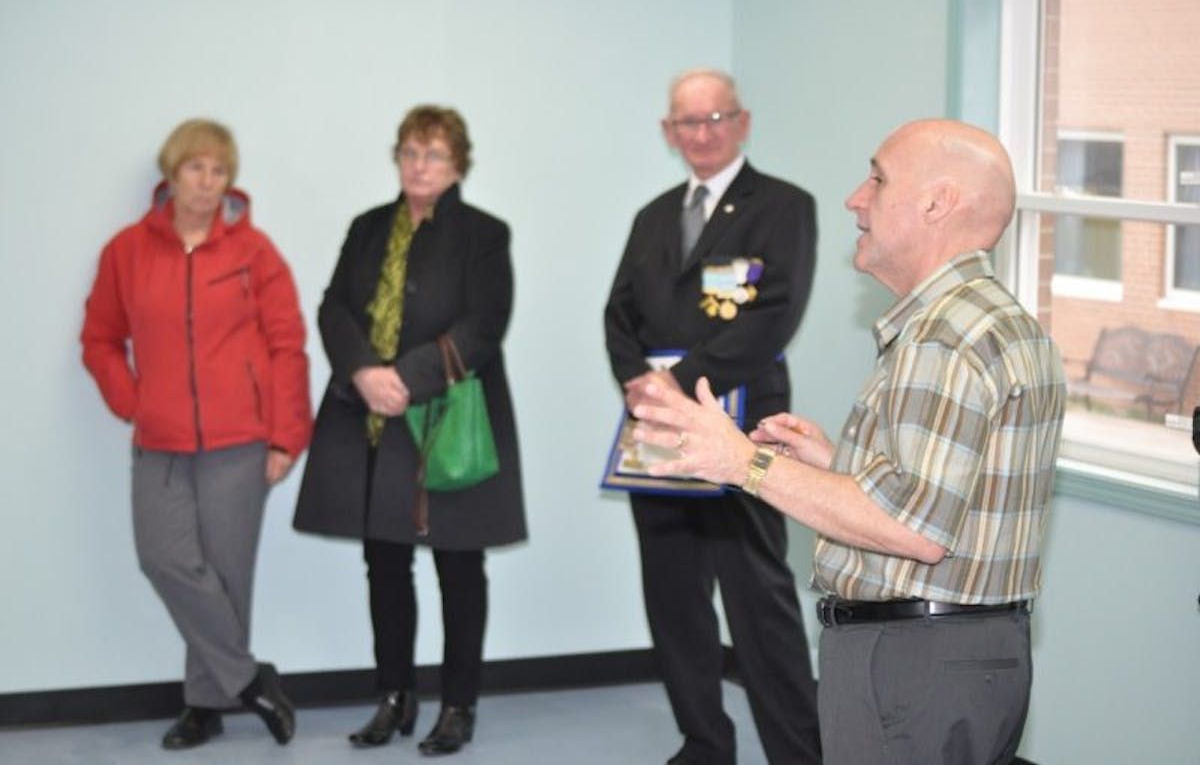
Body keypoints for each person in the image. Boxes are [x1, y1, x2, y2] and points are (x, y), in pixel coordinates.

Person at [632, 119, 1067, 765]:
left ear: (936, 204)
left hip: (910, 666)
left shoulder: (944, 337)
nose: (855, 198)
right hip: (969, 655)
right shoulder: (1000, 322)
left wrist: (741, 461)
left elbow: (913, 527)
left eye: (878, 178)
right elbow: (949, 498)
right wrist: (839, 466)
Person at [293, 105, 525, 756]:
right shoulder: (368, 228)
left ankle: (458, 705)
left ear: (458, 166)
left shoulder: (485, 233)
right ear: (397, 158)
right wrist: (367, 373)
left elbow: (487, 323)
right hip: (371, 418)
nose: (420, 166)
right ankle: (394, 696)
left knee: (459, 565)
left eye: (434, 156)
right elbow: (334, 308)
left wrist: (407, 378)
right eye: (410, 153)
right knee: (384, 564)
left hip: (448, 417)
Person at [604, 69, 821, 765]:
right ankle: (703, 743)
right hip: (658, 439)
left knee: (760, 606)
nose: (701, 134)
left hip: (743, 433)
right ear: (669, 133)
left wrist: (673, 387)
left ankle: (800, 751)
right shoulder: (653, 215)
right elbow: (619, 316)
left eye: (715, 118)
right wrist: (641, 384)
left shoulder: (784, 207)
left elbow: (771, 320)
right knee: (674, 602)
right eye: (686, 123)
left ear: (743, 122)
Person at [80, 118, 312, 750]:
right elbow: (99, 340)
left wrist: (287, 436)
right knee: (163, 557)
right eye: (196, 169)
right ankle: (249, 679)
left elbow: (288, 345)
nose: (208, 183)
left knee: (226, 574)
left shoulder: (254, 253)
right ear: (172, 173)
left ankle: (204, 704)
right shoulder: (126, 252)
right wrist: (133, 401)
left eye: (219, 172)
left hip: (240, 439)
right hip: (160, 438)